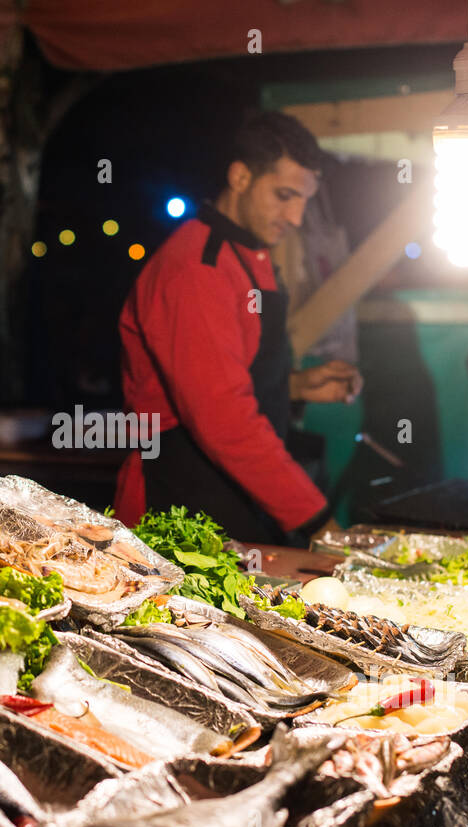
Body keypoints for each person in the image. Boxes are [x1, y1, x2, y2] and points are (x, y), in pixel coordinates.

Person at [112, 112, 361, 543]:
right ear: (241, 176)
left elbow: (223, 377)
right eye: (284, 196)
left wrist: (292, 387)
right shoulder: (196, 269)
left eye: (304, 199)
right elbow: (223, 419)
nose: (297, 217)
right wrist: (319, 524)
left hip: (237, 497)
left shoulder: (250, 255)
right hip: (179, 511)